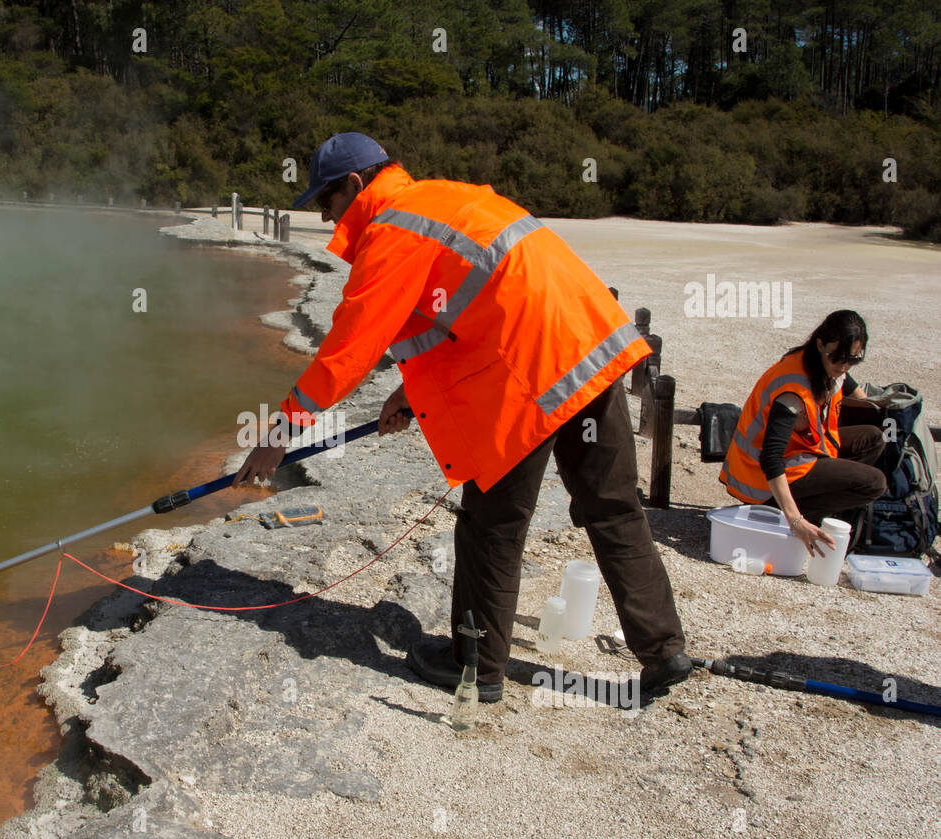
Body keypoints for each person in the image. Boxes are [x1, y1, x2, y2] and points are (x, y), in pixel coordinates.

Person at [234, 133, 691, 703]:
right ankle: (665, 649)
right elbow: (473, 305)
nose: (328, 220)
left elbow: (347, 353)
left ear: (354, 184)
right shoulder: (446, 198)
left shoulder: (391, 228)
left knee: (491, 526)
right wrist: (410, 390)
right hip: (589, 344)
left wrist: (276, 436)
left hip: (530, 374)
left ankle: (475, 668)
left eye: (326, 204)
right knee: (614, 507)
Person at [720, 310, 886, 556]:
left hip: (801, 453)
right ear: (820, 344)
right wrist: (795, 520)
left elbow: (849, 384)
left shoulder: (819, 362)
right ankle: (796, 518)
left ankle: (820, 514)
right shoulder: (793, 390)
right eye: (838, 358)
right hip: (761, 480)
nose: (843, 366)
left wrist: (878, 409)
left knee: (873, 438)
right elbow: (771, 458)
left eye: (853, 360)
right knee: (874, 483)